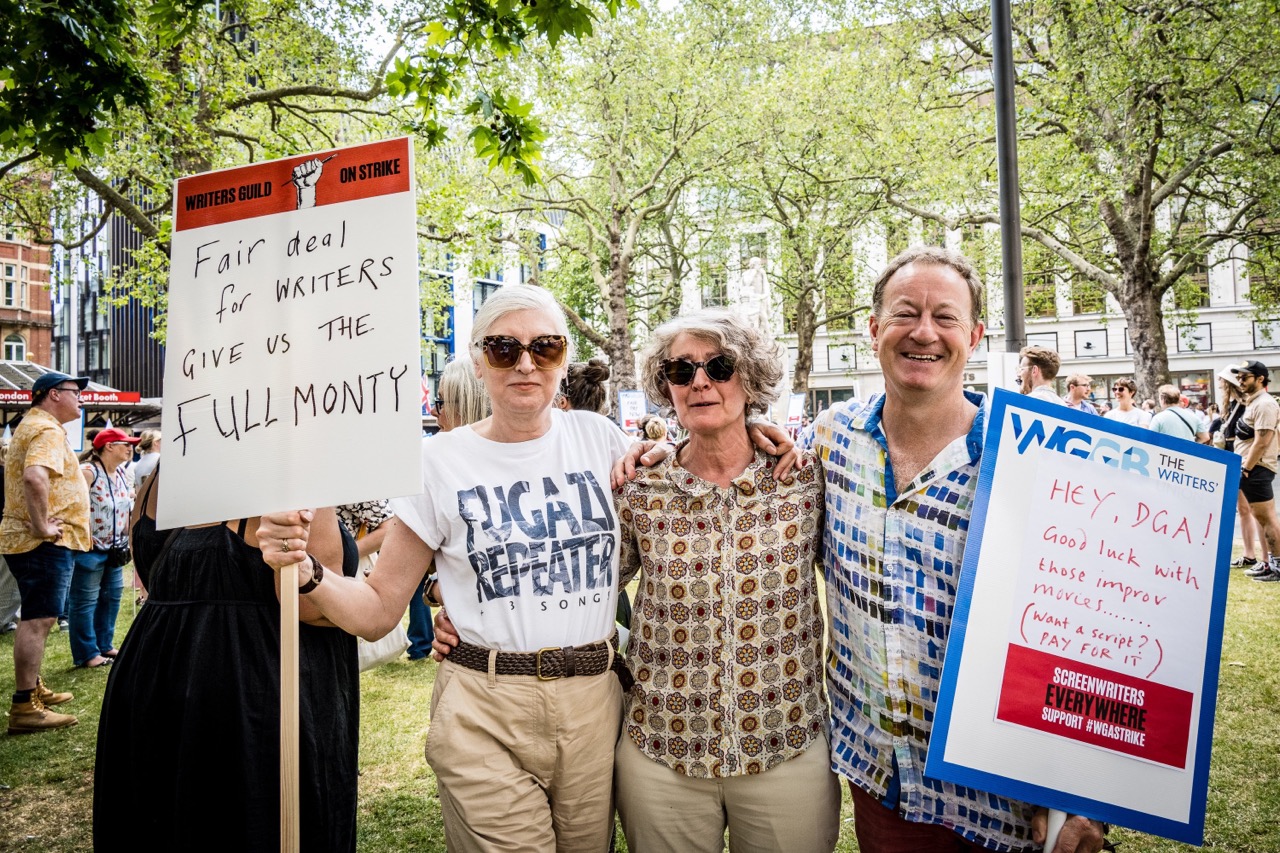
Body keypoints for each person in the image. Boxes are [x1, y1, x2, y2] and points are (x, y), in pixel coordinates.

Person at [617, 248, 1108, 852]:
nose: (924, 332)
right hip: (884, 782)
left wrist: (1082, 792)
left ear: (975, 335)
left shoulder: (1030, 458)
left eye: (945, 317)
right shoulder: (828, 444)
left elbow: (1085, 619)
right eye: (905, 313)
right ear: (875, 331)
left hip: (999, 790)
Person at [258, 284, 638, 852]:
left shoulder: (601, 439)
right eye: (505, 349)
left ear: (563, 359)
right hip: (483, 706)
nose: (526, 363)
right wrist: (306, 568)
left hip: (594, 704)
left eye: (546, 347)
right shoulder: (438, 462)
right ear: (480, 361)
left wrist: (754, 436)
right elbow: (378, 610)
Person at [614, 309, 839, 852]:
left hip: (785, 742)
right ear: (665, 387)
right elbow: (583, 585)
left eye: (719, 366)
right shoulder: (640, 487)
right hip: (662, 749)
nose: (700, 382)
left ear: (751, 378)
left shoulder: (806, 480)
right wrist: (461, 607)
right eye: (681, 371)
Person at [94, 481, 360, 850]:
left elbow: (152, 571)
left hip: (155, 670)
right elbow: (314, 608)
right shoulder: (288, 473)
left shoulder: (162, 474)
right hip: (253, 680)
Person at [1, 371, 91, 733]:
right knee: (38, 619)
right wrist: (42, 526)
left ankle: (33, 688)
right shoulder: (47, 429)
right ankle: (25, 706)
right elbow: (35, 476)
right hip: (41, 542)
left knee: (39, 617)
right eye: (75, 392)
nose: (81, 399)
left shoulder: (34, 425)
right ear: (53, 395)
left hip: (31, 540)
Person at [407, 355, 491, 660]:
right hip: (467, 660)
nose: (432, 410)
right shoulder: (437, 469)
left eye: (439, 402)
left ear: (464, 405)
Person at [68, 427, 139, 668]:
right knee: (85, 601)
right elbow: (73, 506)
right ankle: (87, 653)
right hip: (90, 549)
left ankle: (104, 645)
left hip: (115, 550)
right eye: (125, 443)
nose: (130, 448)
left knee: (112, 597)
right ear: (109, 446)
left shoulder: (120, 473)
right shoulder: (88, 472)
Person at [1230, 361, 1280, 583]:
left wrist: (1246, 468)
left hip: (1256, 469)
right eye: (1239, 377)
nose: (1240, 381)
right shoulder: (1254, 402)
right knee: (1261, 519)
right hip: (1251, 467)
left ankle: (1277, 566)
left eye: (1245, 377)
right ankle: (1269, 563)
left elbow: (1262, 441)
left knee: (1267, 519)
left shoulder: (1265, 405)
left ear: (1260, 379)